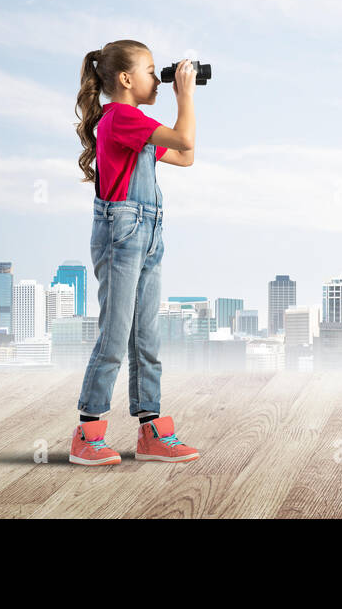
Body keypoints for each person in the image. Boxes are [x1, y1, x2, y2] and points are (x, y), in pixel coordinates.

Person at [68, 39, 201, 466]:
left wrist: (184, 99)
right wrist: (185, 95)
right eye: (150, 69)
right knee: (115, 332)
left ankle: (151, 431)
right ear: (126, 80)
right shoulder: (122, 117)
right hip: (122, 233)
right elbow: (184, 136)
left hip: (147, 233)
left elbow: (186, 155)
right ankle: (87, 433)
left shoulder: (138, 125)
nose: (156, 77)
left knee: (146, 336)